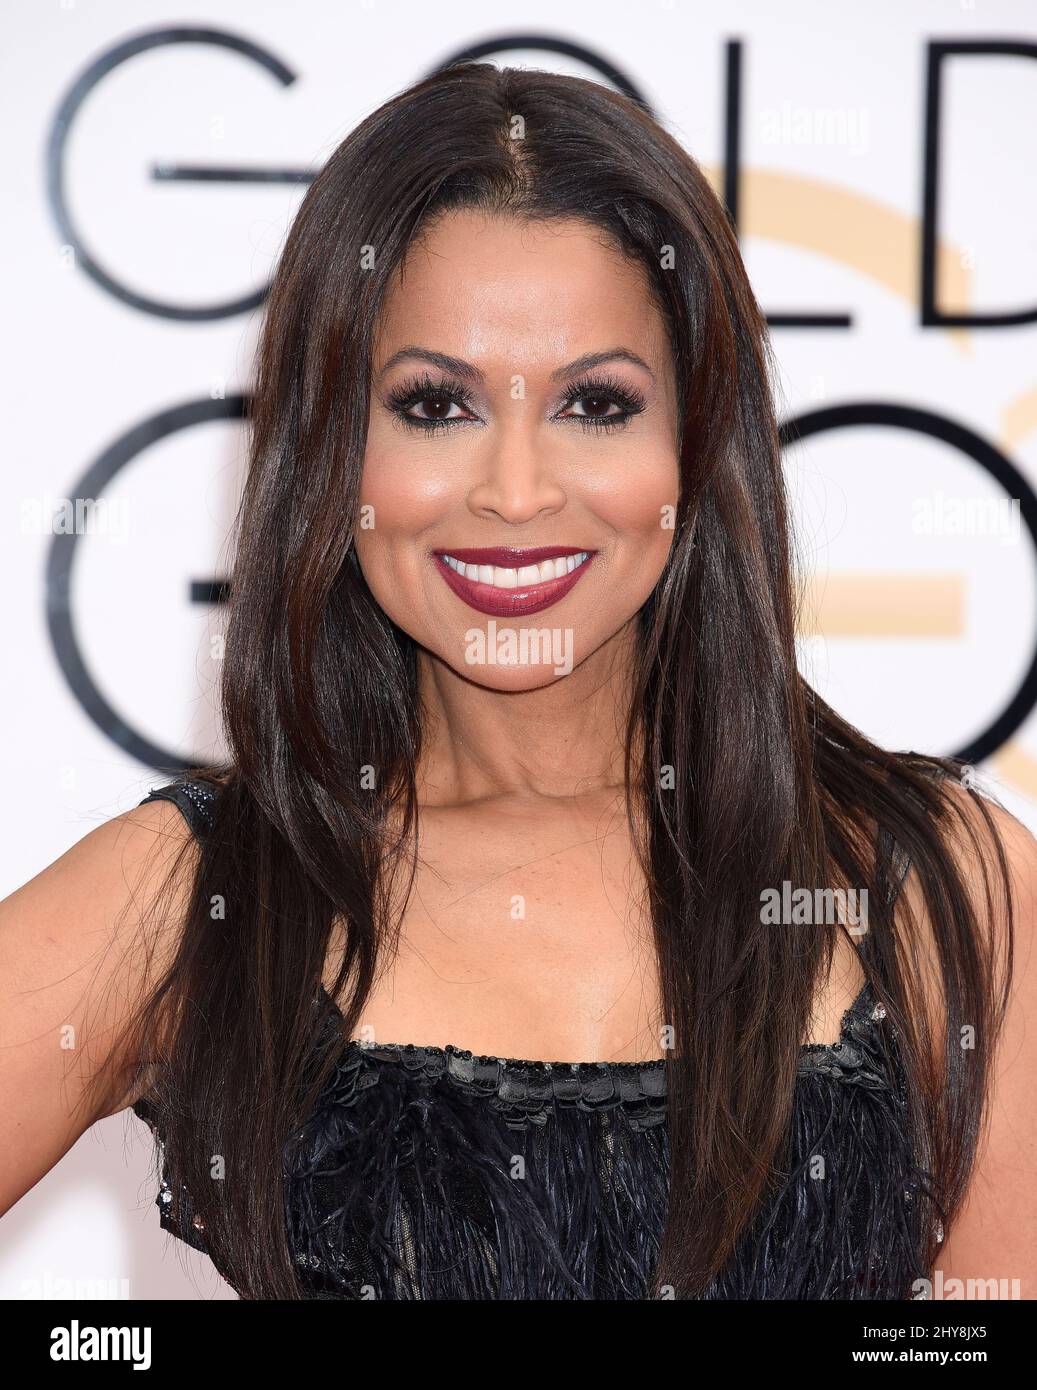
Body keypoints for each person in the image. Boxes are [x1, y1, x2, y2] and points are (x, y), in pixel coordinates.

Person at [3, 62, 1035, 1301]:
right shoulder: (205, 897)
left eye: (595, 403)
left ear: (695, 441)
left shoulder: (938, 887)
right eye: (432, 405)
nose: (514, 492)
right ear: (333, 447)